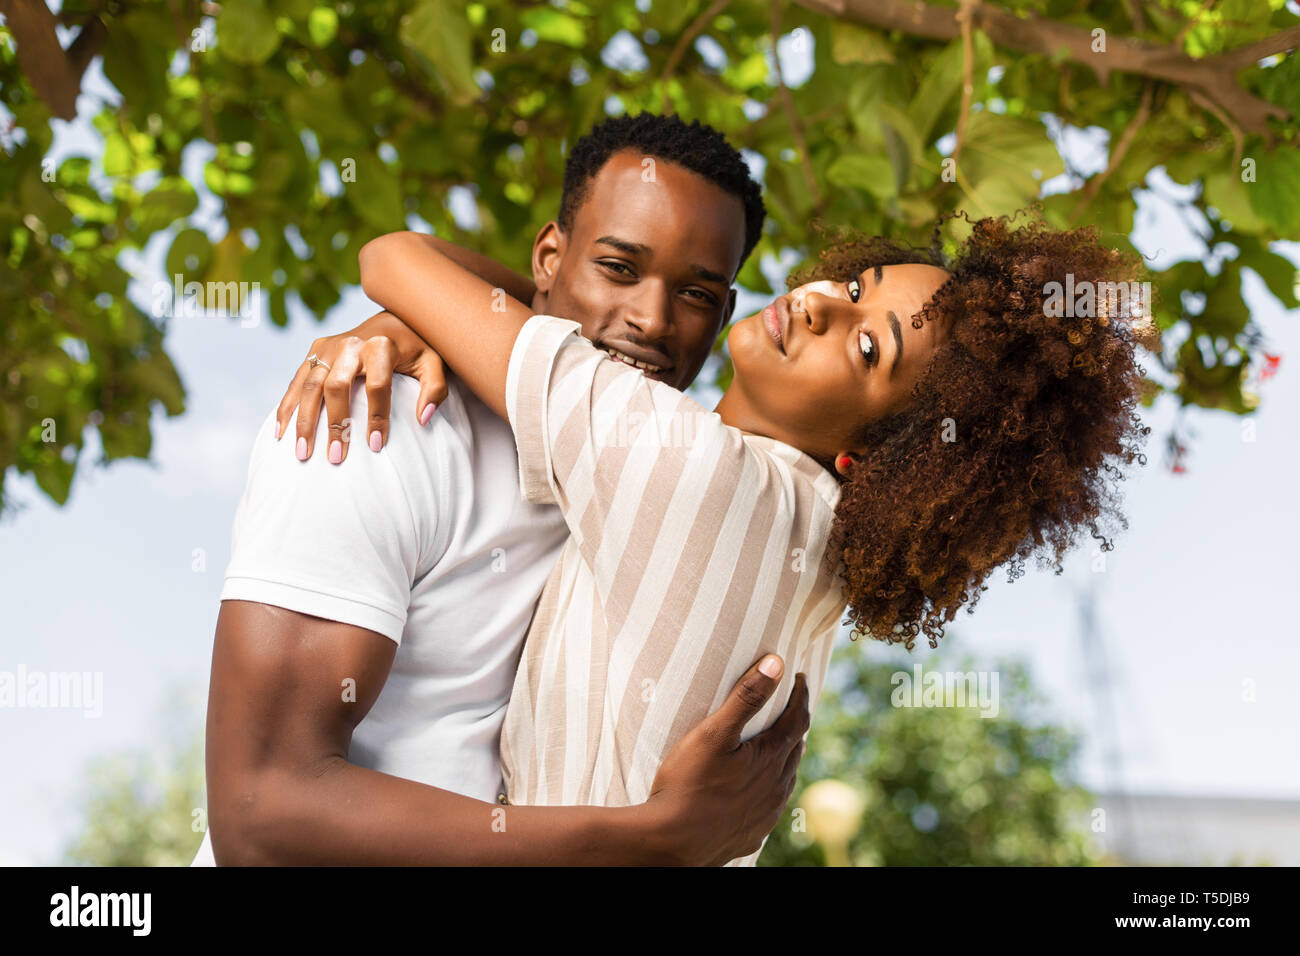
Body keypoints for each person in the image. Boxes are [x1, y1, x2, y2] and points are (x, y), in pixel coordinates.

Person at [302, 207, 1150, 866]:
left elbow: (395, 259)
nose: (816, 300)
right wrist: (424, 325)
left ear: (875, 457)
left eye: (863, 346)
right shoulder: (815, 560)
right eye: (859, 288)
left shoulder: (692, 468)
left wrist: (401, 321)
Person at [196, 114, 809, 866]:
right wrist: (651, 840)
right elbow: (259, 814)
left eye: (695, 293)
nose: (651, 320)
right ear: (549, 256)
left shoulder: (681, 483)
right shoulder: (377, 417)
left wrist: (447, 309)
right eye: (618, 268)